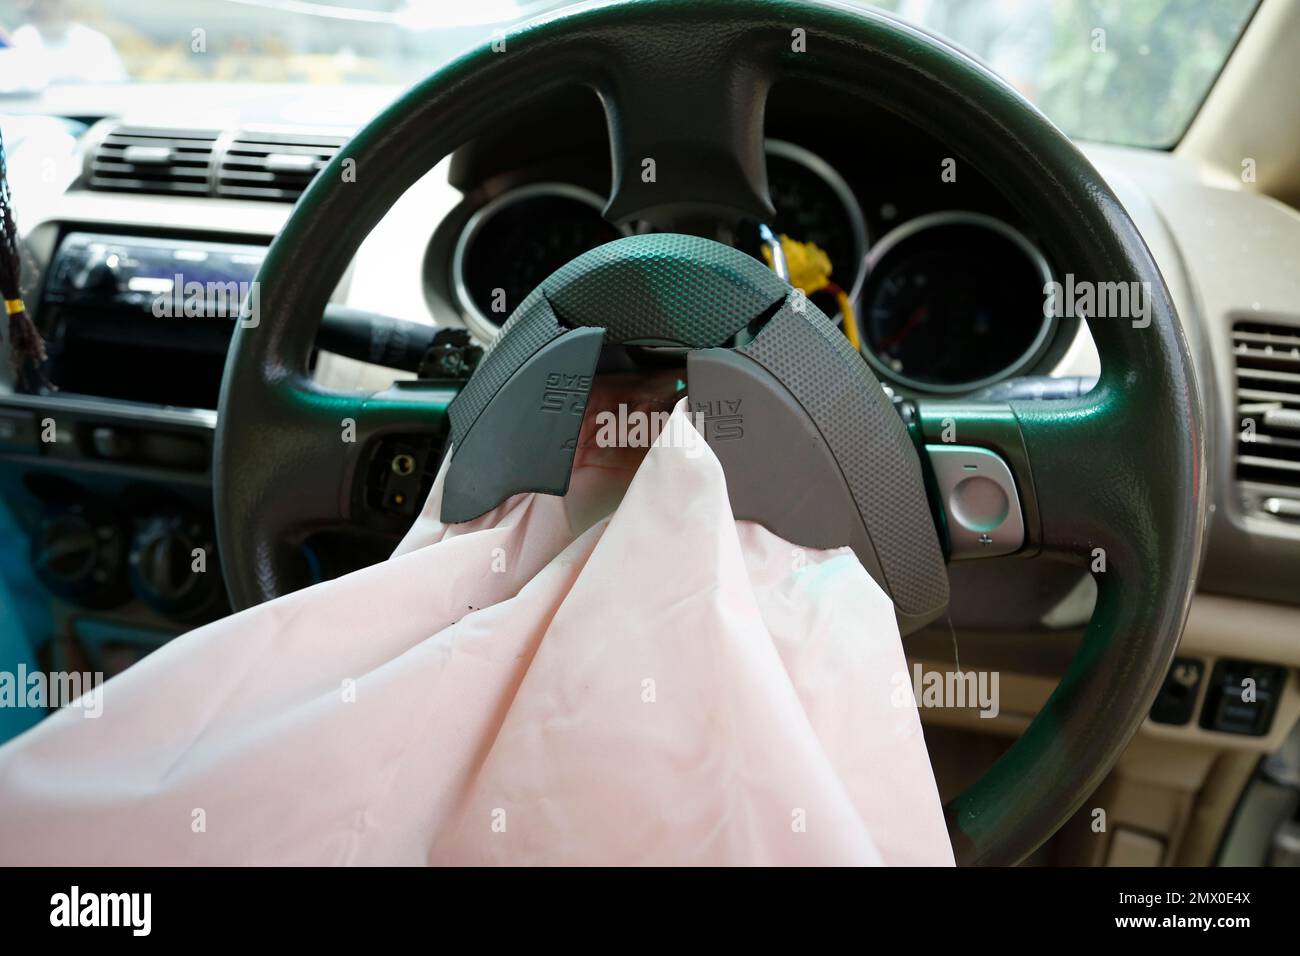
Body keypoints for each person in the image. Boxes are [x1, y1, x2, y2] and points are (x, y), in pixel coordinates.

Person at [7, 0, 127, 85]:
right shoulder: (18, 42)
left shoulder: (95, 43)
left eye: (53, 2)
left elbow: (115, 89)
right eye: (41, 3)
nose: (47, 8)